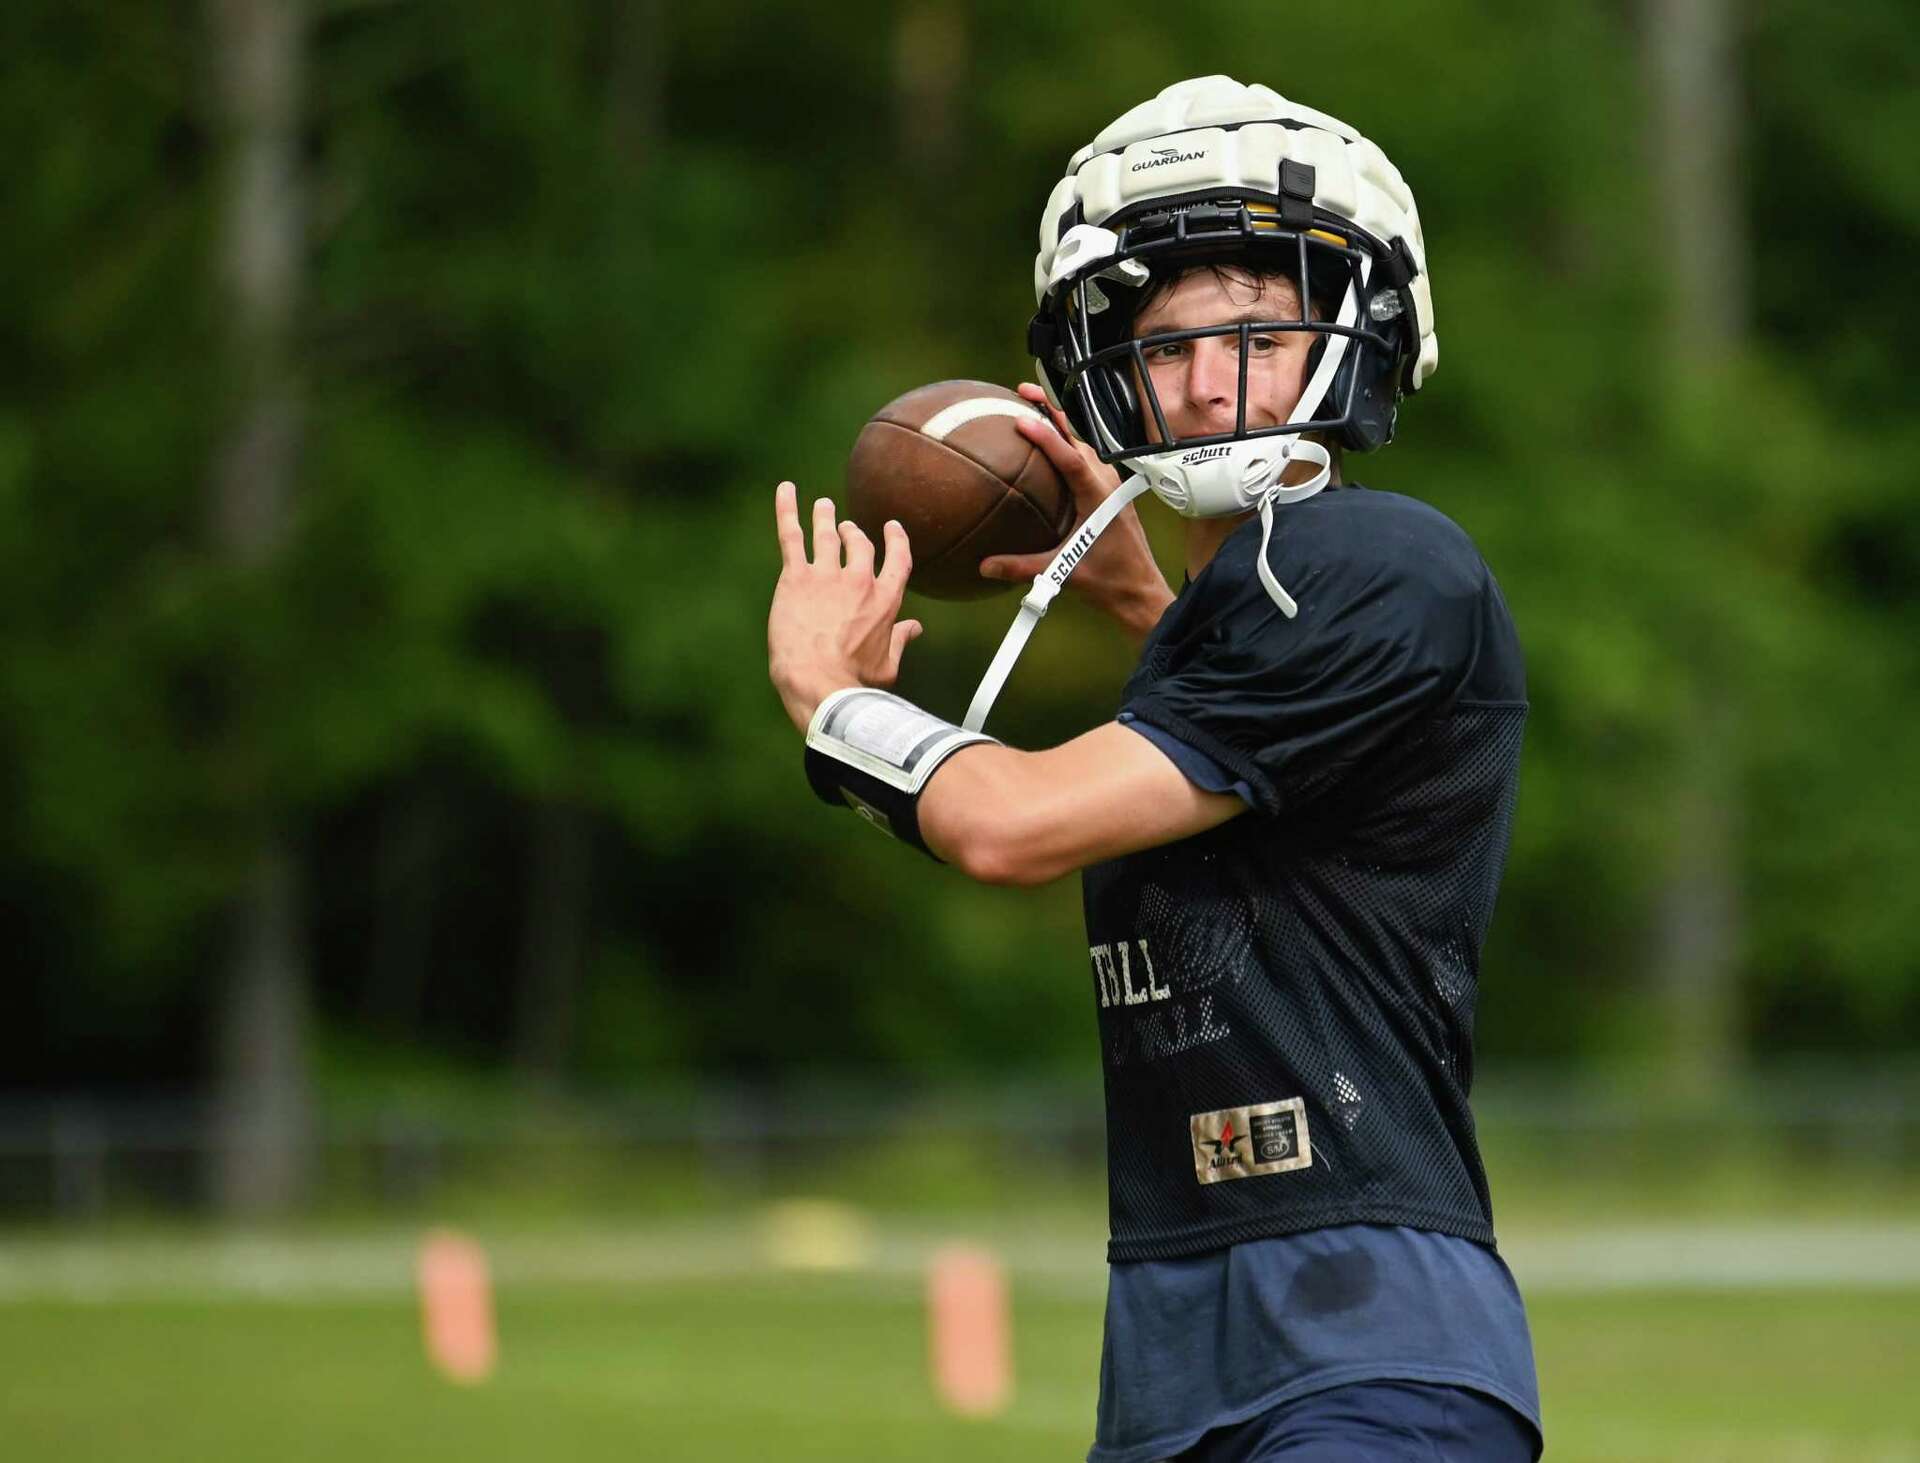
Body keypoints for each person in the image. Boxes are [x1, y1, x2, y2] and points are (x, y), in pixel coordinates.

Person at [767, 75, 1542, 1462]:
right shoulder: (1235, 631)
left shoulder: (1373, 564)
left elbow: (1010, 826)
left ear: (1351, 333)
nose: (1201, 385)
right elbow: (1248, 759)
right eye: (1165, 347)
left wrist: (833, 703)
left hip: (1362, 1339)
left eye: (1250, 333)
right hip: (1180, 1349)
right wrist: (1146, 606)